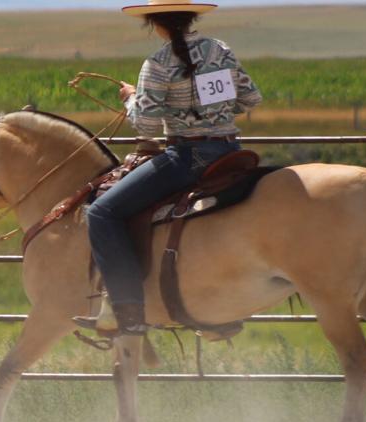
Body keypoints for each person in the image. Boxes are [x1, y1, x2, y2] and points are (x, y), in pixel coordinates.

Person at [84, 0, 263, 334]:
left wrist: (130, 99)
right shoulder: (219, 50)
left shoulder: (157, 63)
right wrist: (215, 113)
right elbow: (251, 99)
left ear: (155, 24)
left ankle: (128, 310)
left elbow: (147, 126)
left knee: (101, 213)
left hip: (188, 158)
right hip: (230, 151)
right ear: (191, 18)